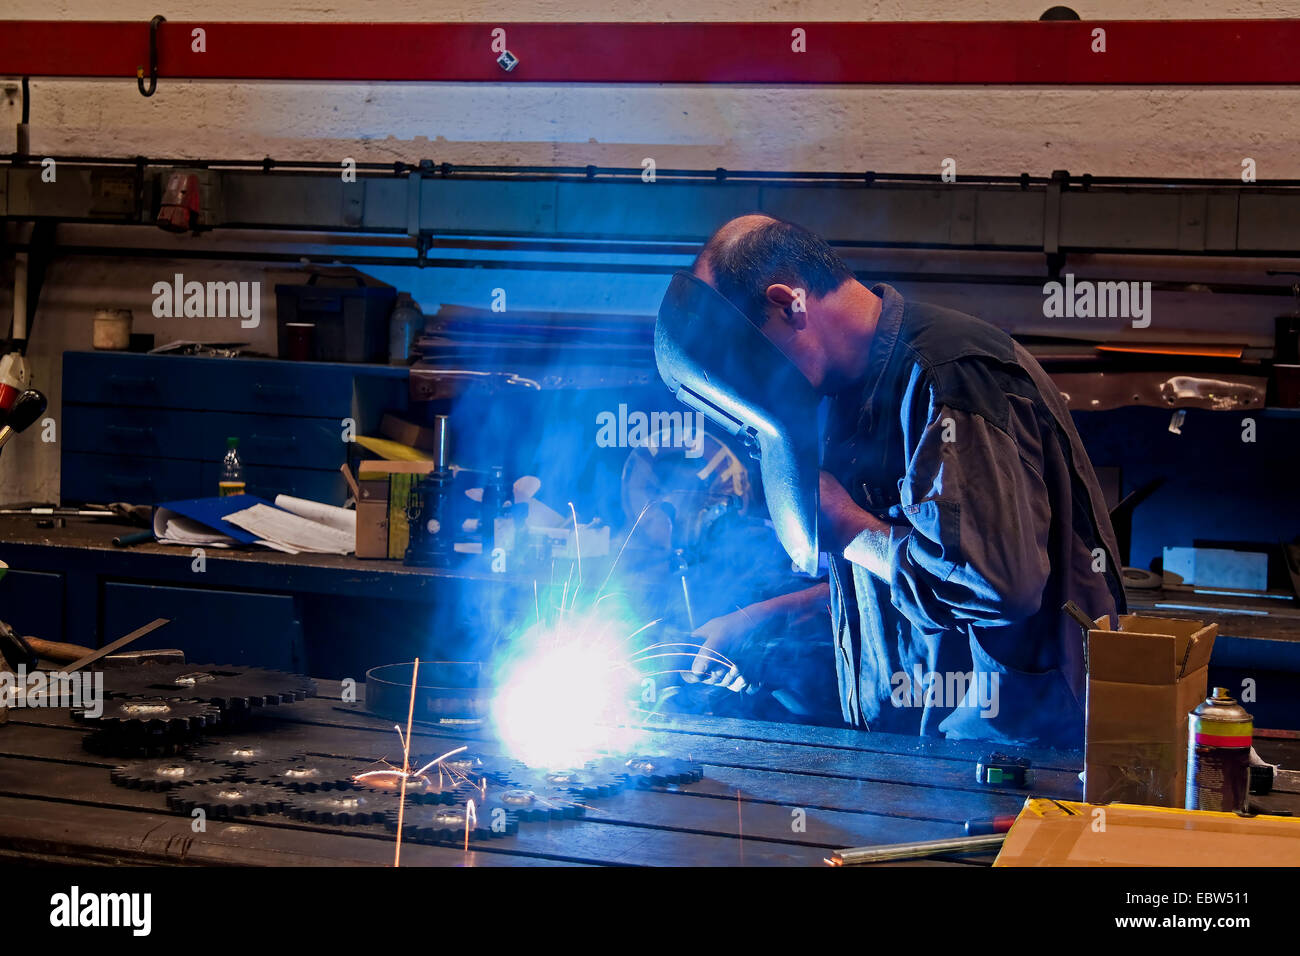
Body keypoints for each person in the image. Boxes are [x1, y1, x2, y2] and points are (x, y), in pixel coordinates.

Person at [682, 214, 1124, 748]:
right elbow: (897, 570)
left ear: (787, 303)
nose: (762, 386)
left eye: (752, 360)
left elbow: (993, 586)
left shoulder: (951, 378)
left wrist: (844, 525)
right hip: (921, 749)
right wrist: (762, 620)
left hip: (1016, 762)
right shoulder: (850, 389)